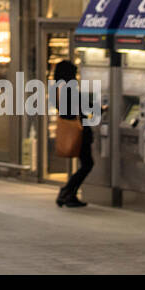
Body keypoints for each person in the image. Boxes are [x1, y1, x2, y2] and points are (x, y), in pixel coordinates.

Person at [54, 59, 94, 208]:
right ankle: (66, 191)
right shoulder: (69, 88)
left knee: (85, 163)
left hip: (69, 129)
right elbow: (84, 105)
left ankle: (70, 194)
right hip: (79, 131)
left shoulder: (57, 87)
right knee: (88, 164)